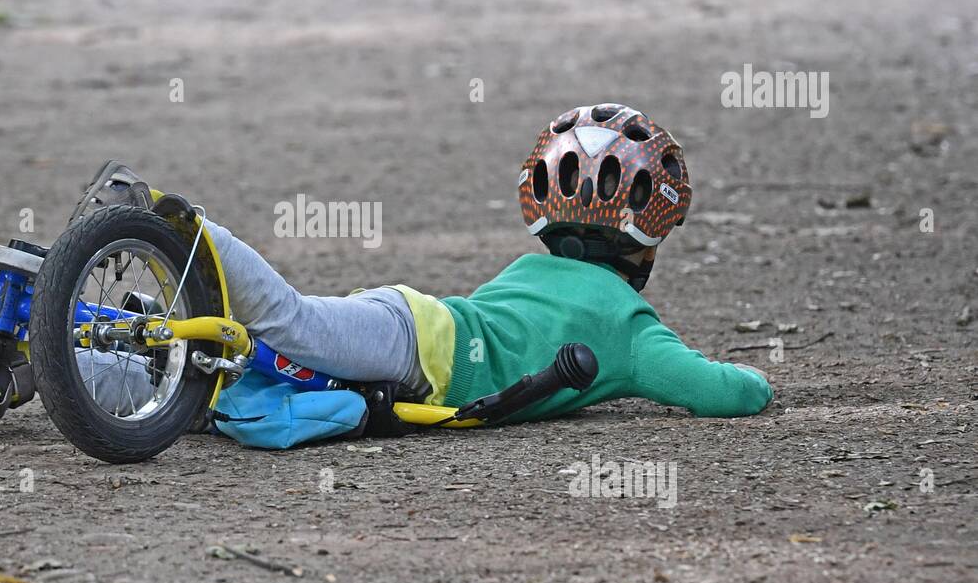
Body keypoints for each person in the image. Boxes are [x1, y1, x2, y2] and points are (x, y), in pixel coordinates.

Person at [203, 103, 773, 424]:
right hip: (418, 344)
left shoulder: (528, 272)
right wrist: (758, 382)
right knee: (291, 321)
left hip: (409, 333)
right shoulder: (631, 330)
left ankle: (129, 338)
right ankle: (186, 228)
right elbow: (723, 393)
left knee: (211, 374)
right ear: (647, 239)